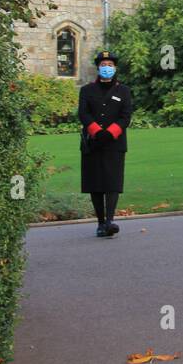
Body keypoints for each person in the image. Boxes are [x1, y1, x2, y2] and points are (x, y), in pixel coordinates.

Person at [78, 51, 133, 238]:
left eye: (110, 64)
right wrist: (96, 131)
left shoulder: (123, 91)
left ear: (115, 68)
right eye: (103, 65)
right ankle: (100, 223)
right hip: (93, 142)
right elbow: (83, 114)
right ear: (98, 68)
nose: (106, 68)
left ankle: (110, 220)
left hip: (114, 143)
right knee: (95, 183)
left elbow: (126, 116)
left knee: (112, 182)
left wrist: (110, 133)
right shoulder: (86, 90)